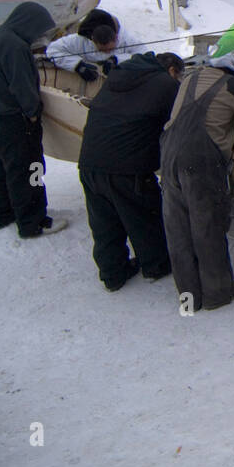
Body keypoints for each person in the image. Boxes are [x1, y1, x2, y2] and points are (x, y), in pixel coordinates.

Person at [159, 47, 234, 311]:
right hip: (202, 162)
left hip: (168, 153)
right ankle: (217, 293)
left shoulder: (192, 75)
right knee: (208, 227)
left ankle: (189, 297)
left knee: (178, 229)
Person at [77, 51, 184, 292]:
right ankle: (156, 265)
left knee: (104, 222)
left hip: (90, 160)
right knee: (144, 216)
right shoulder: (166, 84)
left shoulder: (117, 77)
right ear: (171, 71)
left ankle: (112, 273)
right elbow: (176, 122)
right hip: (129, 167)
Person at [0, 1, 67, 238]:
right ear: (28, 24)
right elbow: (22, 85)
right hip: (12, 120)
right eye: (38, 30)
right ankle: (33, 220)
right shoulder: (14, 46)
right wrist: (33, 112)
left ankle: (3, 213)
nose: (38, 36)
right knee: (29, 168)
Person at [47, 10, 144, 81]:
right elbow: (52, 51)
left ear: (116, 38)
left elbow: (145, 56)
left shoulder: (126, 39)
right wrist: (78, 66)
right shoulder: (80, 40)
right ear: (93, 40)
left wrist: (117, 60)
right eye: (102, 50)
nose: (107, 52)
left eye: (110, 49)